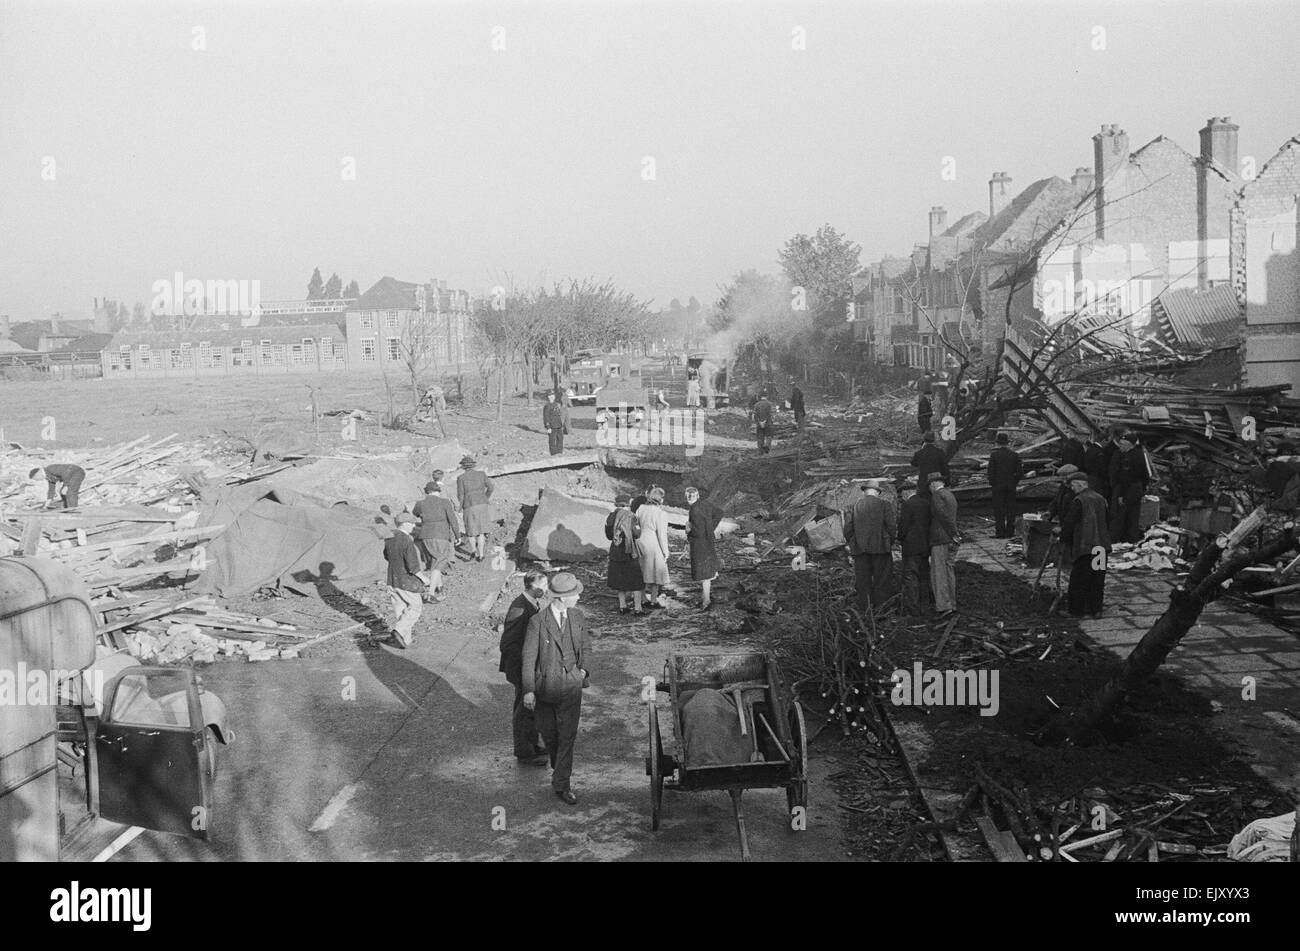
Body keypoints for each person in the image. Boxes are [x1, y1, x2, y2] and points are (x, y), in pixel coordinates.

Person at [521, 571, 590, 805]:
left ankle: (562, 783)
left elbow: (587, 648)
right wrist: (528, 690)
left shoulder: (578, 617)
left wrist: (583, 671)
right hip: (545, 688)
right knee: (551, 736)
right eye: (575, 595)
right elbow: (528, 658)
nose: (578, 598)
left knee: (567, 736)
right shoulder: (537, 622)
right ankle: (558, 764)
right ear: (562, 598)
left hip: (571, 685)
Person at [499, 570, 550, 765]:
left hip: (527, 667)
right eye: (542, 586)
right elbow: (508, 644)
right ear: (531, 587)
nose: (545, 590)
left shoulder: (530, 603)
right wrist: (524, 670)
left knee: (531, 708)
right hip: (520, 668)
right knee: (523, 710)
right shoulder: (519, 609)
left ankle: (532, 745)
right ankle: (524, 752)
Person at [843, 479, 897, 614]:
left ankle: (865, 611)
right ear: (877, 492)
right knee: (882, 581)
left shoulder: (854, 506)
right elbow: (891, 527)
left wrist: (853, 542)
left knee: (863, 582)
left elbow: (848, 529)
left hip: (860, 550)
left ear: (864, 492)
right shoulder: (885, 505)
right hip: (881, 548)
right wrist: (889, 542)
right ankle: (882, 611)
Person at [1061, 473, 1110, 618]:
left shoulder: (1079, 500)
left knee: (1078, 580)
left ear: (1080, 484)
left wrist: (1063, 538)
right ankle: (1096, 610)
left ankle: (1076, 611)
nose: (1072, 488)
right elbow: (1107, 520)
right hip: (1101, 547)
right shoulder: (1101, 498)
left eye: (1073, 485)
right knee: (1097, 578)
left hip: (1086, 547)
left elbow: (1070, 523)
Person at [411, 477, 459, 601]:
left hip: (425, 535)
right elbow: (452, 520)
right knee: (440, 561)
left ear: (428, 492)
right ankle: (431, 593)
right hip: (441, 535)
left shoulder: (420, 503)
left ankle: (440, 586)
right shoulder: (445, 502)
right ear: (437, 491)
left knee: (434, 560)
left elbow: (415, 513)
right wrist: (457, 535)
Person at [383, 512, 426, 649]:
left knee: (400, 609)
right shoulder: (407, 540)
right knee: (416, 606)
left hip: (391, 579)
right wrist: (425, 579)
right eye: (412, 523)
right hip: (405, 580)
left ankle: (405, 640)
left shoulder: (389, 537)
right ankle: (399, 631)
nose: (413, 526)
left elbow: (386, 556)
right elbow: (413, 566)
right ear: (405, 524)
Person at [605, 494, 645, 615]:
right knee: (636, 581)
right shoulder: (631, 516)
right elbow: (637, 533)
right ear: (627, 504)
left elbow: (608, 536)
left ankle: (623, 606)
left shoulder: (610, 517)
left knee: (619, 580)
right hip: (629, 551)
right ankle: (638, 608)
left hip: (615, 551)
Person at [928, 473, 960, 619]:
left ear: (934, 484)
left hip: (940, 539)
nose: (929, 488)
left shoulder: (936, 496)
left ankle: (943, 606)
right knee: (949, 572)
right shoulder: (949, 495)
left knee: (938, 573)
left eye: (929, 485)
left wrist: (953, 533)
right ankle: (952, 604)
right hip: (950, 539)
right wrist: (955, 535)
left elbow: (943, 516)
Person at [685, 486, 723, 611]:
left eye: (692, 496)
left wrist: (688, 530)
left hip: (699, 543)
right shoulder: (705, 504)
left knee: (704, 572)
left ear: (696, 496)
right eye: (689, 496)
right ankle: (704, 597)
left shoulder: (694, 510)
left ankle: (706, 601)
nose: (690, 498)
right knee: (707, 570)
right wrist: (711, 528)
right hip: (708, 541)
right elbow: (719, 513)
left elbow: (698, 531)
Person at [1108, 434, 1150, 544]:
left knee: (1118, 515)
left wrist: (1121, 495)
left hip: (1127, 489)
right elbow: (1145, 474)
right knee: (1133, 516)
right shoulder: (1140, 454)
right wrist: (1143, 490)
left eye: (1122, 444)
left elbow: (1125, 477)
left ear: (1129, 445)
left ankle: (1114, 541)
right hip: (1138, 489)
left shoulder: (1127, 457)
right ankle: (1132, 540)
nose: (1120, 446)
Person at [897, 486, 932, 616]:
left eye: (902, 495)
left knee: (911, 576)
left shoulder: (907, 505)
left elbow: (904, 526)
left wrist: (900, 537)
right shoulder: (926, 503)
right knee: (924, 576)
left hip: (911, 547)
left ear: (906, 493)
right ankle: (926, 606)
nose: (902, 498)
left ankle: (914, 609)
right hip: (925, 546)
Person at [635, 486, 671, 607]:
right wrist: (666, 551)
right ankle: (653, 600)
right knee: (656, 572)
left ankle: (643, 598)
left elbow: (636, 525)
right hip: (653, 543)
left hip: (640, 541)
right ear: (661, 499)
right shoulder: (661, 513)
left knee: (642, 571)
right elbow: (661, 535)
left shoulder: (641, 508)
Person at [456, 455, 494, 562]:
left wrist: (460, 507)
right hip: (482, 504)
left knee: (471, 530)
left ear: (463, 467)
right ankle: (481, 555)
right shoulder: (481, 474)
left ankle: (473, 551)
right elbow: (491, 487)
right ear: (473, 465)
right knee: (481, 531)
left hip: (469, 506)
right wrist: (485, 498)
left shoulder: (461, 478)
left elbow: (460, 495)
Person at [987, 432, 1023, 539]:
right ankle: (1010, 533)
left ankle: (1000, 533)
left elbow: (990, 473)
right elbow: (1020, 473)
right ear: (1007, 443)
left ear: (998, 443)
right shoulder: (1014, 455)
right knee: (1011, 510)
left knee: (999, 510)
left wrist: (994, 484)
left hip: (998, 487)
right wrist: (1014, 482)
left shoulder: (994, 455)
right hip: (1011, 486)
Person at [1083, 429, 1109, 498]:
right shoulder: (1100, 452)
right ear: (1103, 441)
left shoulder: (1090, 449)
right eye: (1107, 442)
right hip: (1097, 480)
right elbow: (1101, 467)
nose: (1107, 444)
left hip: (1089, 478)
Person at [543, 391, 568, 456]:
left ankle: (559, 452)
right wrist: (548, 427)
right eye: (550, 396)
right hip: (552, 426)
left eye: (552, 395)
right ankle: (553, 453)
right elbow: (546, 417)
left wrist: (561, 425)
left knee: (560, 438)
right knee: (552, 440)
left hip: (558, 425)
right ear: (548, 397)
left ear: (554, 396)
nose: (551, 397)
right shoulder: (547, 406)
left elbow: (559, 415)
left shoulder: (556, 404)